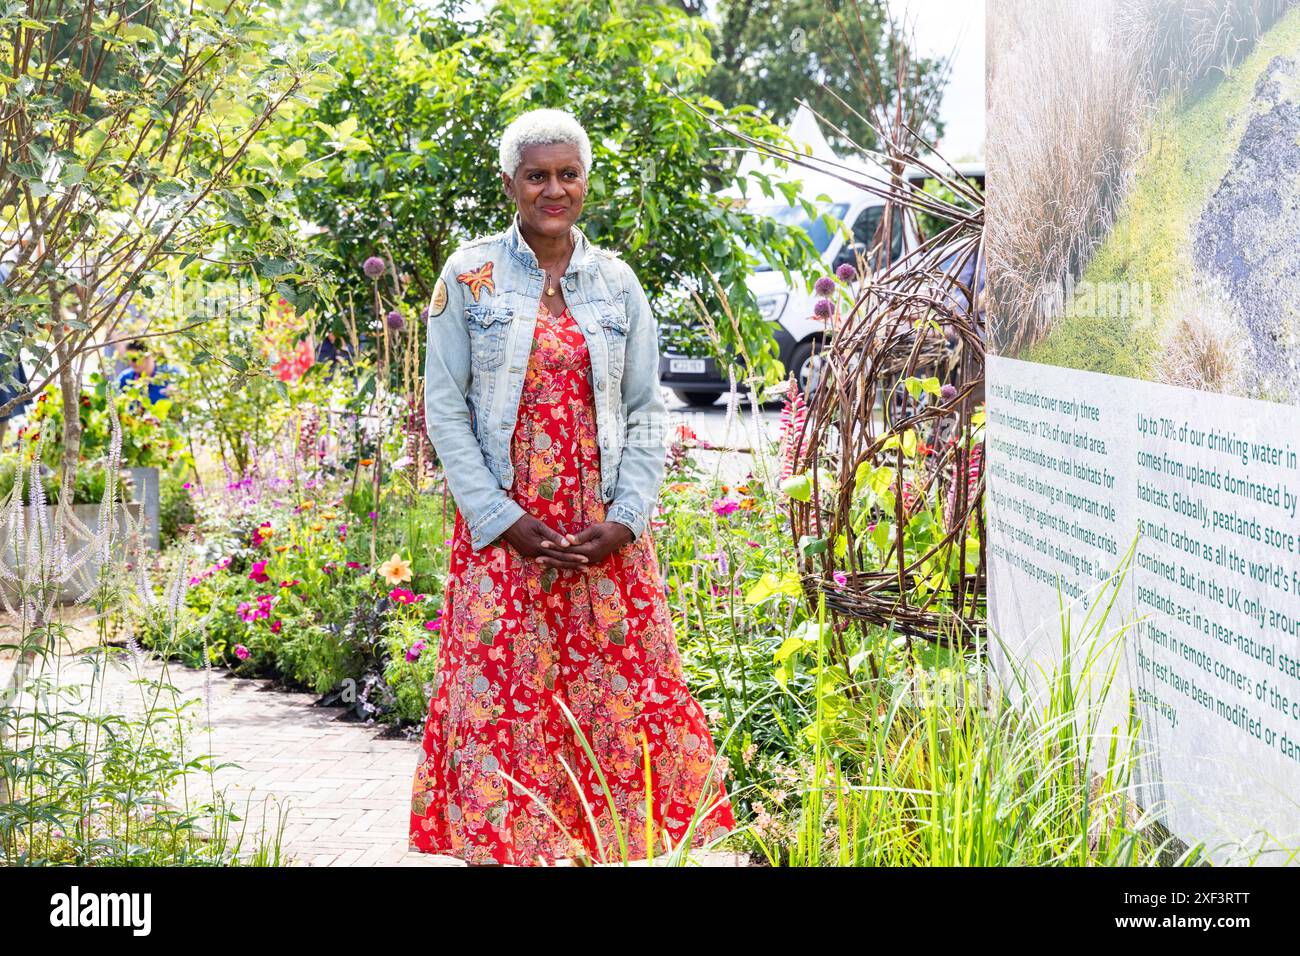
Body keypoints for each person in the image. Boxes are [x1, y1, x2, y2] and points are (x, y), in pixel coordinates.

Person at [409, 108, 736, 866]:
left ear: (584, 182)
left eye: (567, 174)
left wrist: (625, 520)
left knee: (613, 706)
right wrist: (499, 517)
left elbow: (647, 409)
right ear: (510, 184)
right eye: (537, 175)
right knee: (504, 709)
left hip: (603, 543)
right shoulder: (470, 275)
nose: (553, 189)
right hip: (505, 543)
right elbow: (444, 407)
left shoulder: (616, 283)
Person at [116, 339, 174, 404]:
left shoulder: (170, 373)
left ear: (148, 355)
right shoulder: (125, 378)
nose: (131, 363)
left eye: (134, 359)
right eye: (127, 359)